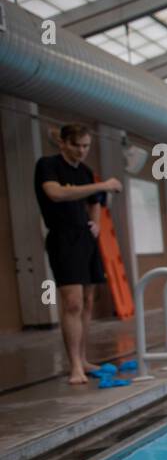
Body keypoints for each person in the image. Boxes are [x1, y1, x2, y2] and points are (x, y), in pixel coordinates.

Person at [34, 124, 123, 384]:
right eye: (77, 145)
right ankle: (74, 366)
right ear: (62, 143)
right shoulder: (47, 165)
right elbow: (56, 193)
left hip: (85, 237)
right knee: (72, 302)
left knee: (86, 301)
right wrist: (102, 185)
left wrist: (94, 223)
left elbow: (95, 203)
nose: (82, 151)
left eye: (86, 146)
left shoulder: (85, 172)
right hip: (62, 237)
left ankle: (83, 359)